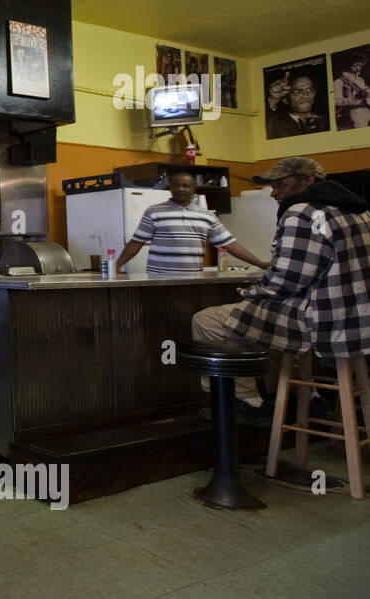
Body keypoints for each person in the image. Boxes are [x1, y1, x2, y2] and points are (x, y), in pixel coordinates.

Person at [191, 157, 370, 425]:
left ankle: (248, 402)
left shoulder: (302, 212)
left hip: (323, 323)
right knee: (263, 327)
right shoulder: (360, 212)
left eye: (281, 185)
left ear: (307, 181)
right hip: (360, 322)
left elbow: (287, 279)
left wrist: (251, 292)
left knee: (209, 320)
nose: (274, 192)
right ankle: (304, 396)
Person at [115, 172, 268, 274]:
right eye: (176, 185)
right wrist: (117, 265)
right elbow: (136, 242)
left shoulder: (206, 215)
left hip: (192, 279)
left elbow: (229, 244)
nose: (181, 189)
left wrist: (260, 264)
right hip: (158, 279)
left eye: (186, 186)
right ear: (170, 187)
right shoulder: (154, 211)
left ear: (193, 188)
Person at [265, 73, 327, 139]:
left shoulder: (325, 121)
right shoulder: (275, 125)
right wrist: (273, 99)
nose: (306, 95)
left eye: (310, 90)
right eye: (298, 91)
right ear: (285, 100)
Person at [334, 52, 370, 130]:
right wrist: (354, 99)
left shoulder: (360, 80)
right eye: (356, 64)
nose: (359, 67)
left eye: (361, 64)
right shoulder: (339, 81)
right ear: (349, 63)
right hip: (355, 111)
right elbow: (336, 101)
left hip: (366, 110)